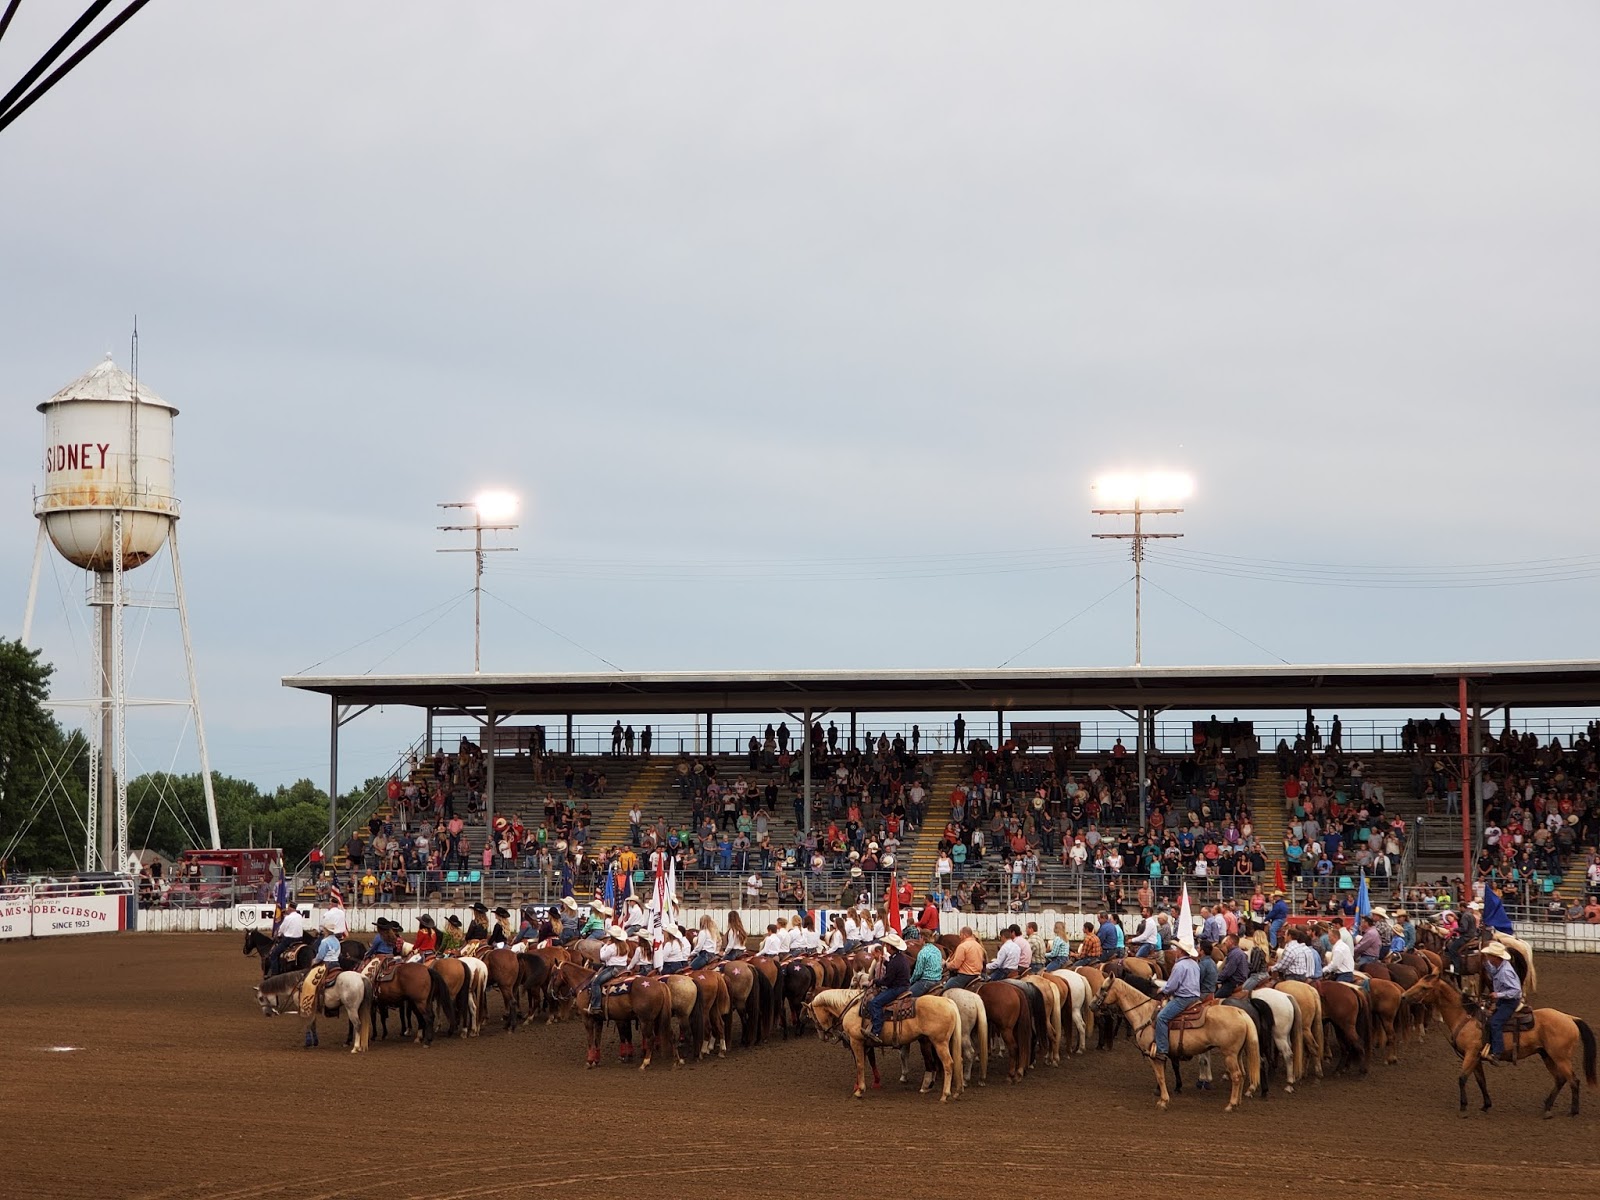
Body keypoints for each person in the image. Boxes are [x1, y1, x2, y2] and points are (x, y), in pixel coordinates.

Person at [1150, 942, 1202, 1062]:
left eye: (1177, 949)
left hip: (1183, 999)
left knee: (1161, 1017)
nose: (1176, 951)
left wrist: (1162, 989)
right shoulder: (1195, 964)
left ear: (1181, 951)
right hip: (1195, 997)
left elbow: (1171, 986)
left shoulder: (1179, 966)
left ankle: (1162, 1050)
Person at [1480, 942, 1523, 1065]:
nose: (1488, 957)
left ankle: (1497, 1052)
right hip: (1505, 1000)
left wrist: (1498, 995)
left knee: (1495, 1023)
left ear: (1496, 957)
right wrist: (1485, 962)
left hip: (1510, 1002)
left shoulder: (1505, 972)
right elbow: (1493, 972)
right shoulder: (1500, 967)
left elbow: (1516, 990)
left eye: (1489, 956)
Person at [863, 932, 911, 1043]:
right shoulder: (899, 958)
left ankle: (876, 1031)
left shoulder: (895, 961)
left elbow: (888, 981)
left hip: (897, 988)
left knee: (875, 1003)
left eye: (886, 945)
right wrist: (885, 963)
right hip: (903, 985)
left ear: (890, 947)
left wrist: (875, 981)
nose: (885, 946)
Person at [588, 927, 631, 1013]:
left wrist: (605, 945)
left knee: (595, 983)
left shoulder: (611, 947)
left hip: (613, 969)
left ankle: (596, 1006)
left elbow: (602, 957)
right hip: (623, 968)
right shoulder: (625, 946)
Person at [266, 905, 306, 975]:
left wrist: (278, 935)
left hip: (289, 940)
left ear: (290, 908)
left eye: (288, 908)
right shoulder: (299, 916)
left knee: (274, 954)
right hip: (299, 939)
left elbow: (282, 929)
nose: (287, 909)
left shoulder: (288, 917)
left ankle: (275, 974)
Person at [1446, 901, 1481, 976]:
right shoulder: (1471, 915)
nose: (1458, 908)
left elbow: (1464, 928)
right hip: (1472, 935)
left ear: (1462, 907)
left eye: (1459, 907)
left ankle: (1457, 969)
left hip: (1466, 937)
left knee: (1452, 949)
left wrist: (1454, 929)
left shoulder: (1465, 916)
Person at [908, 931, 944, 998]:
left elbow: (918, 973)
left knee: (907, 995)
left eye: (919, 937)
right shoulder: (937, 950)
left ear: (922, 938)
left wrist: (911, 981)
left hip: (926, 982)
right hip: (938, 980)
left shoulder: (923, 952)